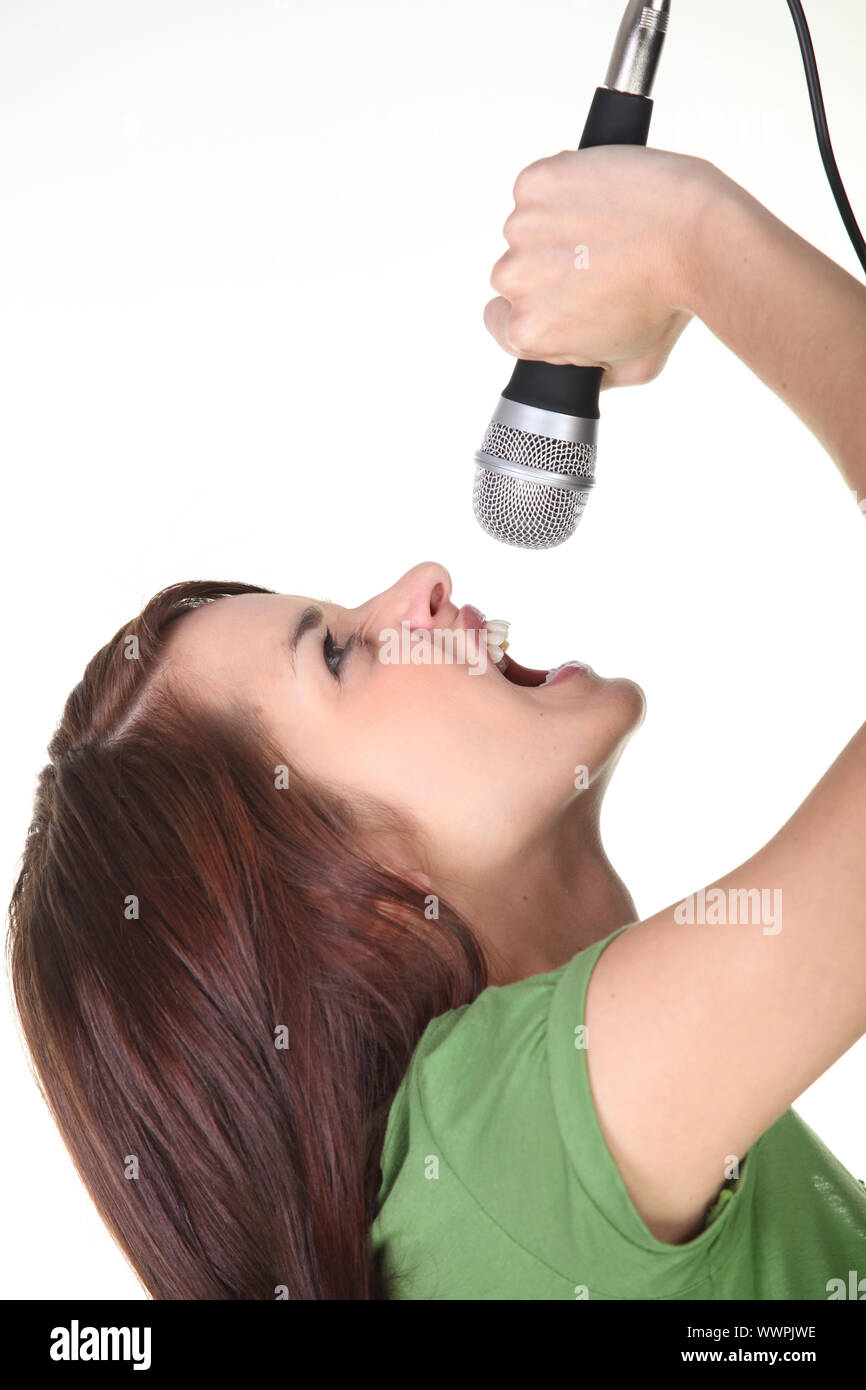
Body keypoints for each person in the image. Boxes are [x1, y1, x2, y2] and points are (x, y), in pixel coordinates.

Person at [8, 148, 866, 1300]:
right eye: (338, 653)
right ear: (318, 907)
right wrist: (692, 239)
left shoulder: (487, 1204)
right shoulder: (494, 1149)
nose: (416, 585)